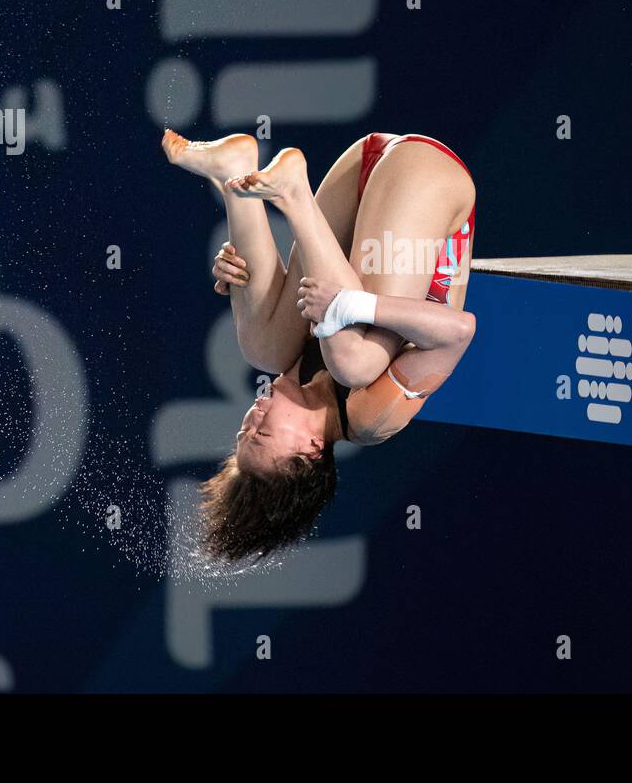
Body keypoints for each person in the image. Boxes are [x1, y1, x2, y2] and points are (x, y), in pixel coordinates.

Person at [161, 129, 478, 561]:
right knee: (355, 363)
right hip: (425, 176)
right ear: (311, 451)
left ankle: (236, 175)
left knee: (262, 349)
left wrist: (235, 271)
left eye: (244, 429)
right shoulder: (371, 418)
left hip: (363, 164)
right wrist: (356, 305)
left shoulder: (285, 364)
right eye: (264, 431)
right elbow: (459, 331)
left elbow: (282, 285)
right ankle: (293, 195)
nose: (253, 413)